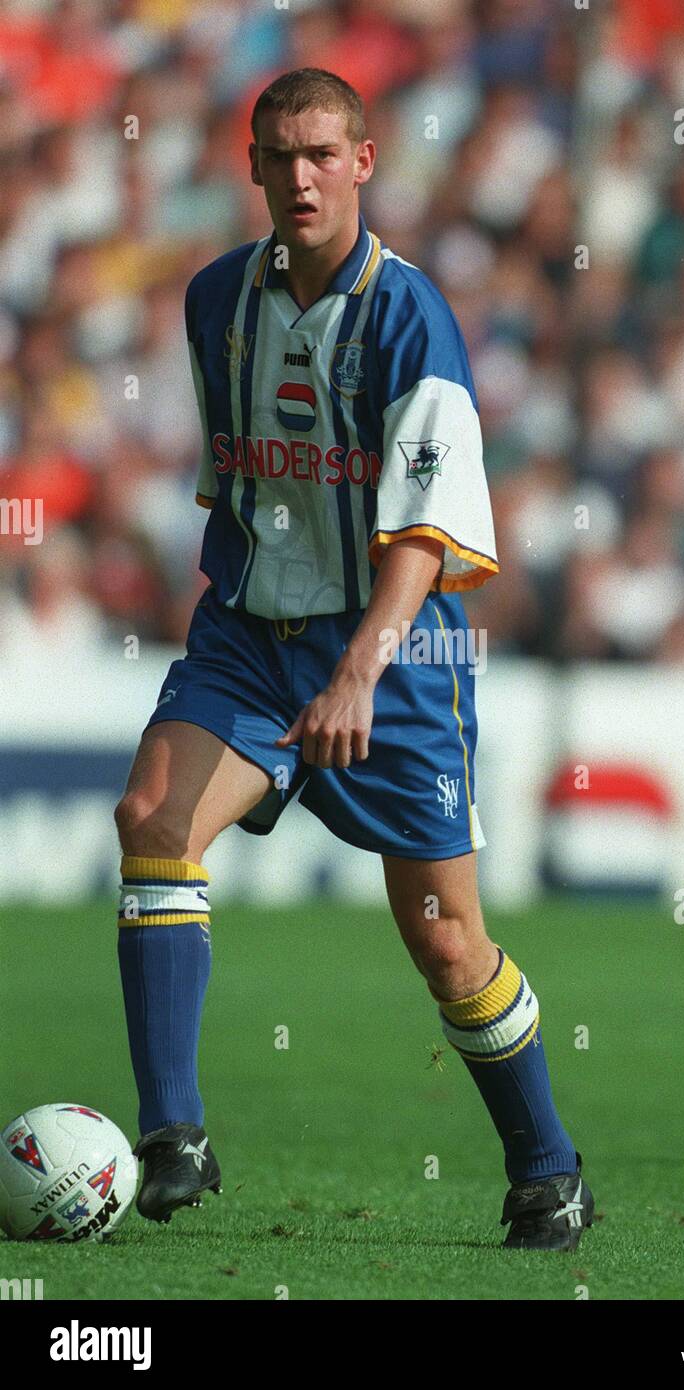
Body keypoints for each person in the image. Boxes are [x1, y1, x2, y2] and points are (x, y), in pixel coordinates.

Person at [114, 67, 593, 1251]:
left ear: (363, 162)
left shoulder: (409, 318)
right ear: (252, 166)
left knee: (445, 941)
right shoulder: (214, 300)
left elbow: (425, 534)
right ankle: (173, 1135)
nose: (302, 177)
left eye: (323, 153)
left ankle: (546, 1168)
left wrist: (358, 670)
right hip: (247, 636)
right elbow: (238, 480)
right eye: (280, 156)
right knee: (152, 818)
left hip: (393, 653)